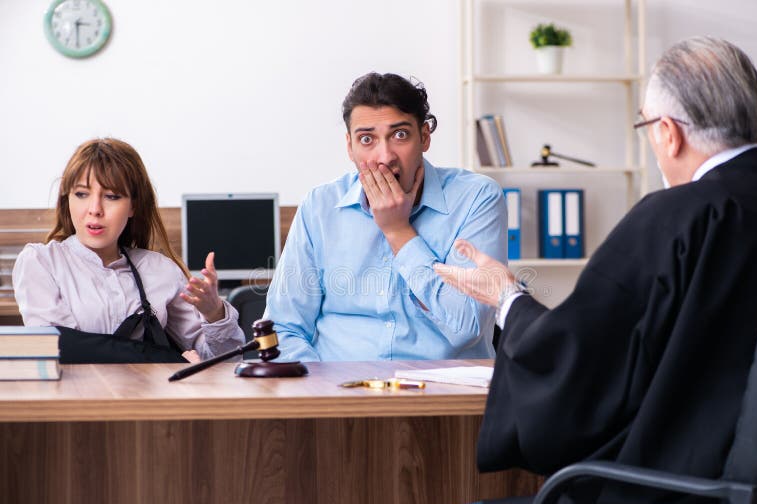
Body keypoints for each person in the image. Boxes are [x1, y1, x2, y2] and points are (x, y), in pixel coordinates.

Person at [428, 37, 757, 504]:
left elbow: (578, 363)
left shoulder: (674, 218)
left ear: (668, 133)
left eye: (647, 126)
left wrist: (506, 299)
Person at [265, 72, 507, 362]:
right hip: (338, 394)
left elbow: (467, 326)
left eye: (400, 135)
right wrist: (323, 390)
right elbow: (284, 327)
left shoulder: (476, 198)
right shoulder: (319, 206)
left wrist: (398, 232)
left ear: (425, 137)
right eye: (367, 139)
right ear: (350, 147)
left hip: (442, 396)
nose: (385, 156)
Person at [12, 138, 245, 362]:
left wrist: (214, 314)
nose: (94, 209)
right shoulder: (41, 262)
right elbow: (60, 346)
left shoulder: (160, 270)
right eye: (81, 194)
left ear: (133, 205)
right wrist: (166, 359)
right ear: (67, 198)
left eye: (112, 196)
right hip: (78, 400)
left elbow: (221, 363)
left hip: (150, 401)